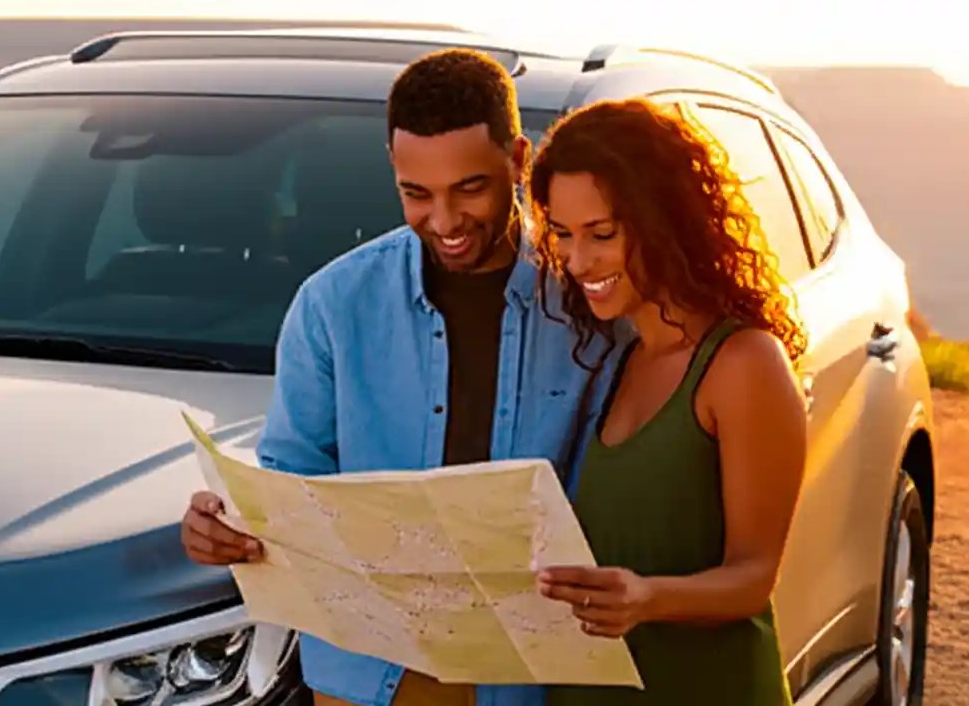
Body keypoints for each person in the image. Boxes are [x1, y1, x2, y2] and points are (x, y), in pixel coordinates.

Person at [179, 48, 620, 706]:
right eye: (417, 194)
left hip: (537, 673)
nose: (443, 222)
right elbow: (291, 488)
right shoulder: (333, 305)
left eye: (469, 188)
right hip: (370, 675)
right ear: (393, 171)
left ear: (520, 161)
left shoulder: (592, 304)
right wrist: (225, 526)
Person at [525, 98, 810, 705]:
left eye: (602, 234)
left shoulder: (742, 365)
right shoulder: (616, 361)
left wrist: (648, 598)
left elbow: (754, 578)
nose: (578, 262)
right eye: (564, 235)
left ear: (665, 219)